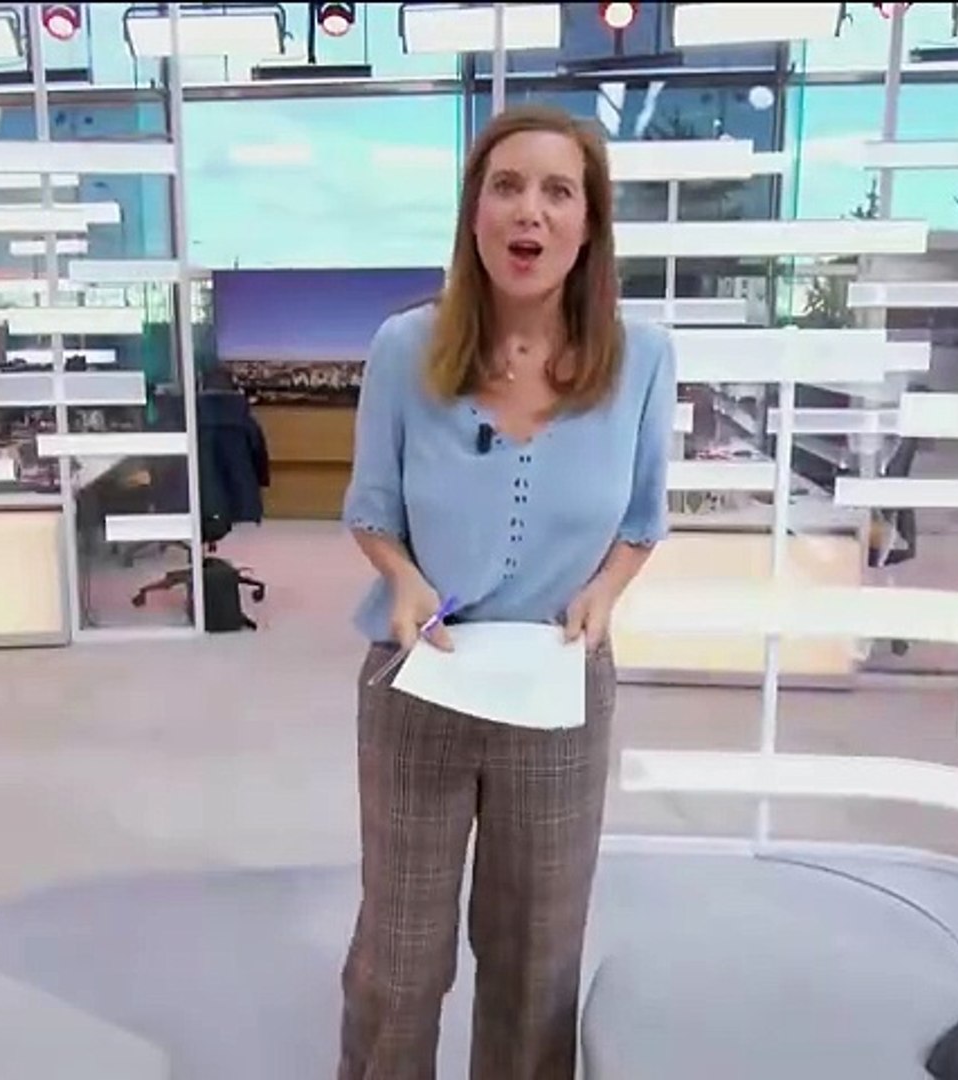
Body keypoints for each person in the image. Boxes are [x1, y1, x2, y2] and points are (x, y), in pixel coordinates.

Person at [336, 104, 675, 1079]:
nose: (531, 211)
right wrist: (402, 579)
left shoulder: (643, 358)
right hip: (421, 678)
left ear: (588, 222)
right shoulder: (405, 347)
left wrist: (605, 592)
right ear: (475, 214)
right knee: (400, 960)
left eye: (558, 191)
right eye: (507, 187)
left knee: (535, 958)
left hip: (557, 689)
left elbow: (642, 518)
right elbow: (371, 510)